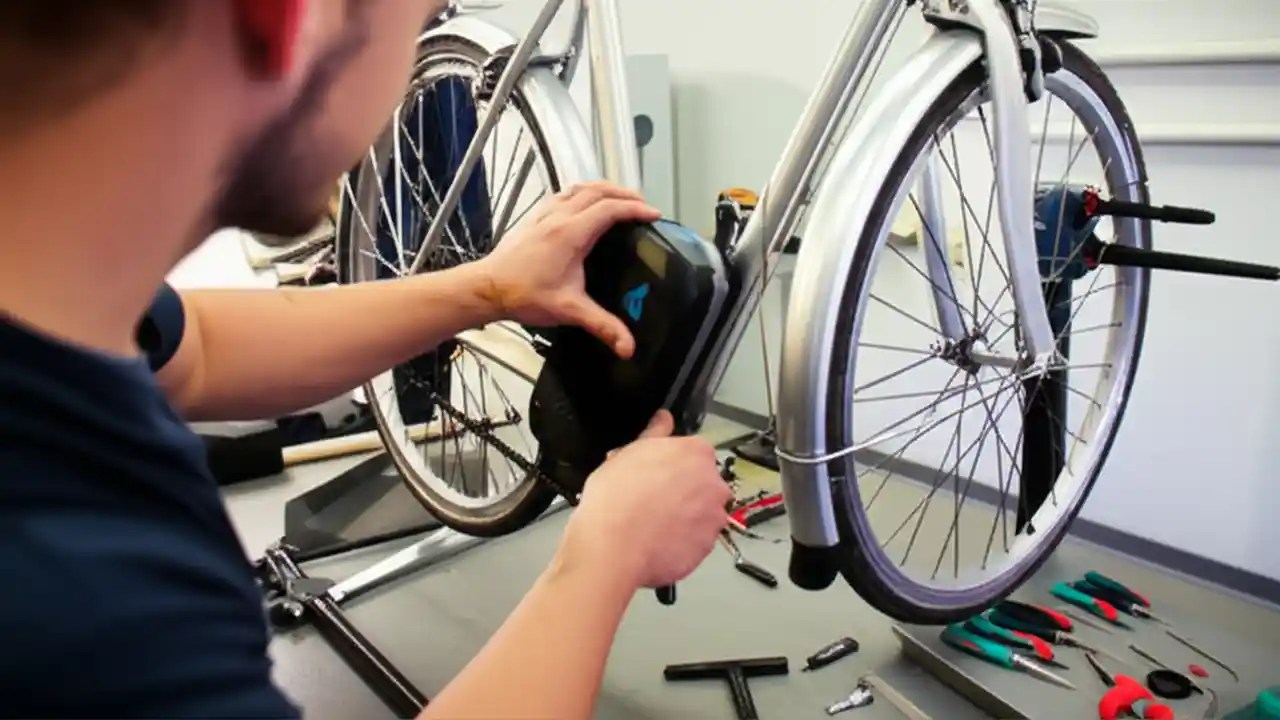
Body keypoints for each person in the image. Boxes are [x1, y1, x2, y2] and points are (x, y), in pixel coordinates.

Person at [0, 1, 734, 718]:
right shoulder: (87, 604)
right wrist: (602, 561)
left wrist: (489, 286)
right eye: (420, 19)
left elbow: (197, 352)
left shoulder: (53, 306)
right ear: (289, 14)